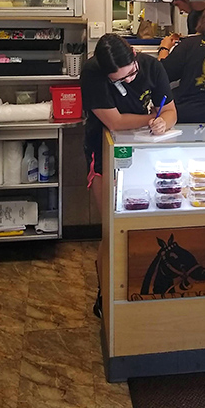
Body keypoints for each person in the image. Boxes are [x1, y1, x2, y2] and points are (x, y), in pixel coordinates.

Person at [81, 33, 177, 317]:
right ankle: (105, 296)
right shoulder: (92, 73)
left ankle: (137, 295)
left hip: (147, 153)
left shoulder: (151, 67)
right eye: (120, 80)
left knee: (143, 228)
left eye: (131, 73)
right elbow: (115, 121)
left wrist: (163, 122)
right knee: (111, 230)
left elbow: (171, 110)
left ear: (135, 55)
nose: (130, 81)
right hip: (105, 151)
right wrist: (151, 120)